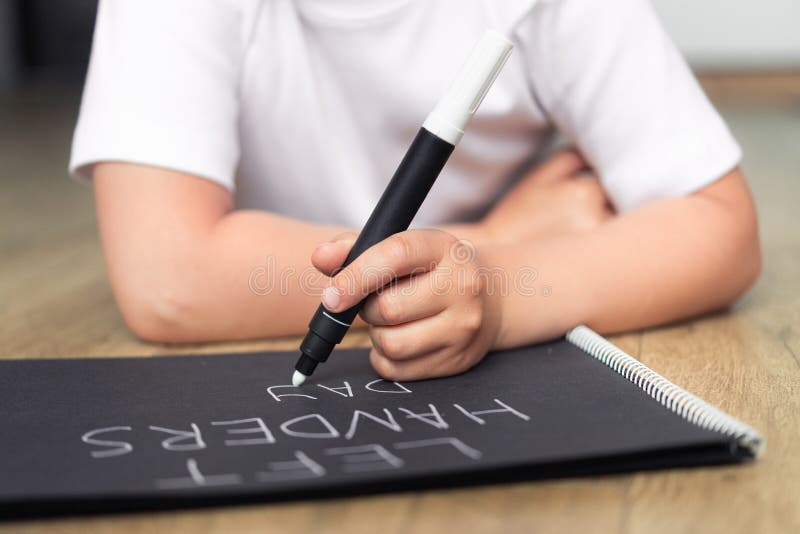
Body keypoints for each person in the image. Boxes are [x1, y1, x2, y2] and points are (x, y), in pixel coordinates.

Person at [70, 0, 761, 380]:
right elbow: (167, 275)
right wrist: (491, 243)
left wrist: (494, 291)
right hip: (491, 241)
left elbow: (720, 225)